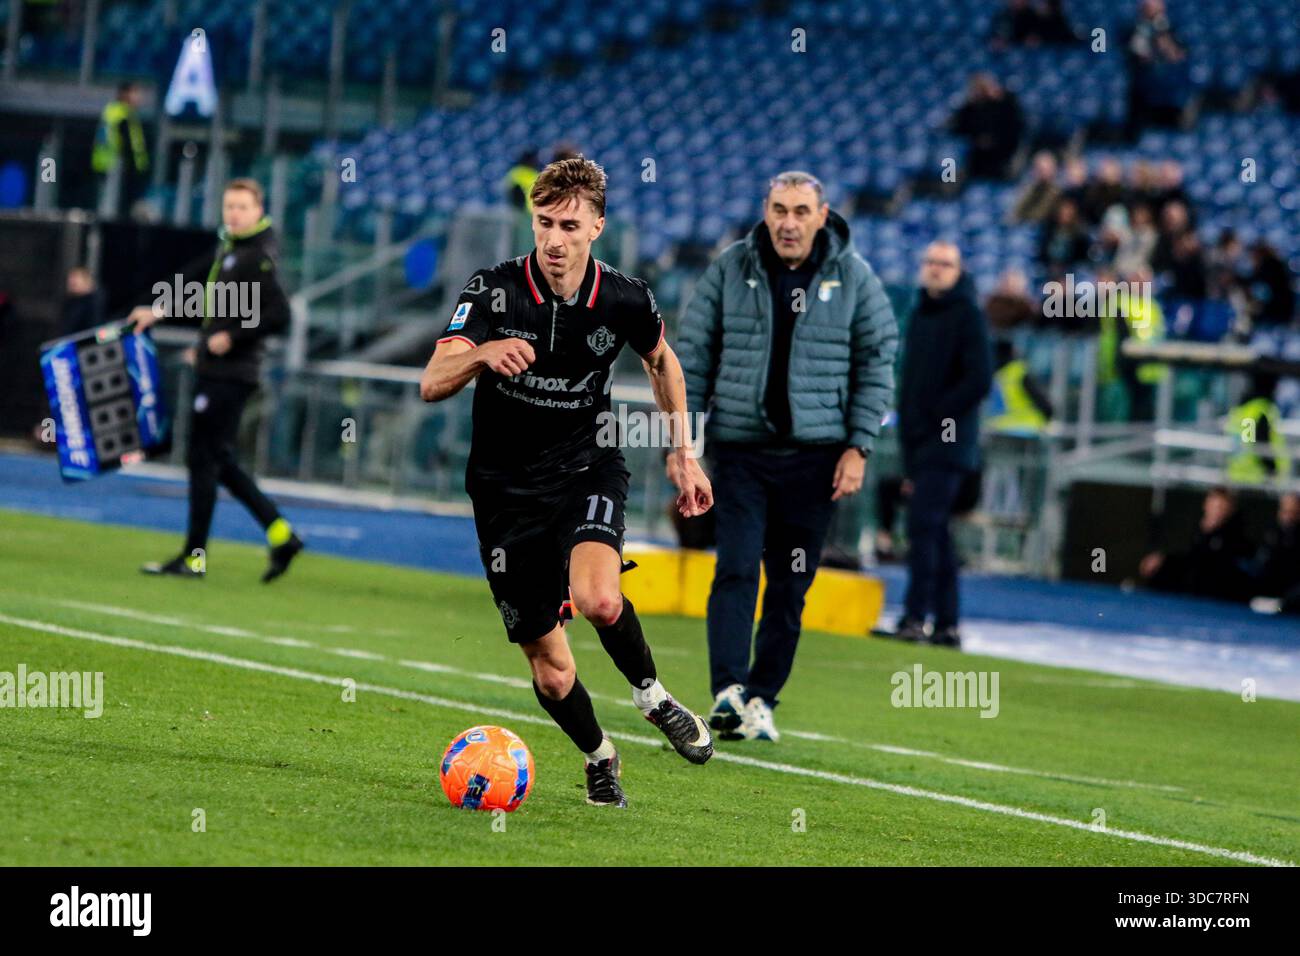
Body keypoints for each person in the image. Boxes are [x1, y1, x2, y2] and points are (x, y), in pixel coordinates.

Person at [419, 157, 715, 808]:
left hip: (587, 462)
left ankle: (653, 698)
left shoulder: (625, 298)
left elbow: (662, 362)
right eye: (544, 222)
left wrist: (682, 453)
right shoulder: (494, 291)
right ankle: (599, 756)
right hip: (502, 491)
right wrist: (480, 355)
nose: (554, 239)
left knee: (600, 598)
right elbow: (431, 381)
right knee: (552, 672)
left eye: (569, 225)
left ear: (597, 228)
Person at [677, 170, 897, 742]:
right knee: (737, 566)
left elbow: (877, 361)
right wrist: (683, 443)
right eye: (779, 209)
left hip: (816, 458)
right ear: (765, 210)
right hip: (742, 450)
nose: (789, 222)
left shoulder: (855, 277)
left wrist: (858, 447)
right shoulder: (732, 267)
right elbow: (694, 354)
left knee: (790, 588)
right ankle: (727, 689)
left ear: (823, 215)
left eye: (801, 211)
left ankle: (761, 699)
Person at [130, 178, 303, 583]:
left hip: (232, 375)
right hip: (217, 370)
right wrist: (166, 315)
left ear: (259, 211)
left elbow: (280, 315)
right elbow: (198, 290)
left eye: (242, 206)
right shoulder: (232, 249)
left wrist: (230, 338)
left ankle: (196, 557)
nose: (234, 213)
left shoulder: (259, 255)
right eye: (229, 206)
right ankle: (280, 534)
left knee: (204, 458)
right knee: (216, 460)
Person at [884, 242, 992, 647]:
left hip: (947, 445)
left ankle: (916, 617)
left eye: (945, 264)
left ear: (959, 270)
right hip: (921, 443)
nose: (936, 269)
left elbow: (979, 379)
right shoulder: (919, 311)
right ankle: (947, 624)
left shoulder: (968, 314)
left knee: (923, 527)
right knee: (936, 533)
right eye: (930, 262)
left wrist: (937, 417)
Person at [1138, 487, 1253, 602]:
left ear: (1230, 510)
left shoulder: (1233, 535)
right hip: (1190, 580)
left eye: (1222, 508)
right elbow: (1187, 556)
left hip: (1213, 588)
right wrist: (1162, 559)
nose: (1217, 511)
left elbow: (1207, 562)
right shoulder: (1194, 527)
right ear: (1206, 505)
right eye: (1214, 506)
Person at [92, 81, 150, 217]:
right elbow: (127, 145)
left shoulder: (115, 112)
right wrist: (136, 168)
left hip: (111, 168)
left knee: (109, 207)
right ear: (125, 94)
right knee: (116, 210)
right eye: (135, 93)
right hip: (117, 169)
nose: (139, 98)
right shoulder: (122, 114)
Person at [1225, 372, 1292, 484]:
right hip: (1258, 479)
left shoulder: (1241, 409)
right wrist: (1273, 470)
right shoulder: (1262, 409)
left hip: (1236, 476)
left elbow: (1246, 441)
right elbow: (1259, 444)